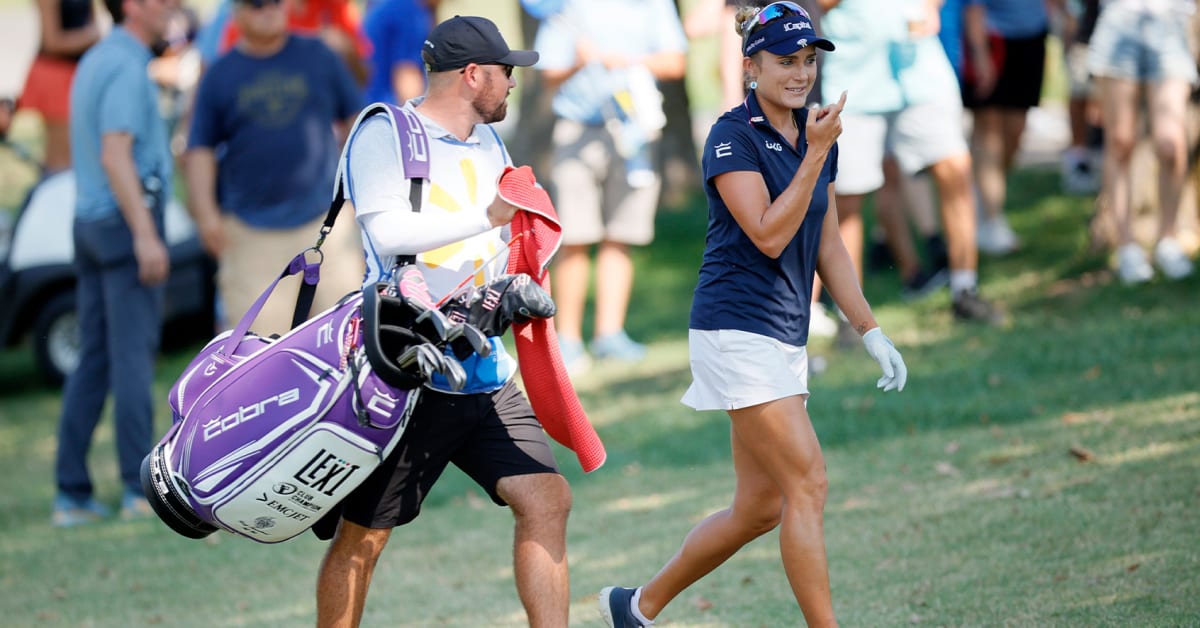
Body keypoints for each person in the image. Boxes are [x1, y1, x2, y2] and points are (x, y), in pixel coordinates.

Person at [598, 4, 907, 626]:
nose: (800, 74)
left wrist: (869, 329)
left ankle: (636, 607)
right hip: (734, 330)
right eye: (785, 61)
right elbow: (768, 233)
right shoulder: (731, 135)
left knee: (760, 508)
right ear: (751, 66)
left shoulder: (814, 132)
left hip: (782, 333)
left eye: (808, 60)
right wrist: (816, 155)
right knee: (808, 483)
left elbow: (827, 242)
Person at [314, 16, 572, 628]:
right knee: (363, 538)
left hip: (481, 364)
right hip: (408, 367)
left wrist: (517, 280)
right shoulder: (384, 132)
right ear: (473, 74)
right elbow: (387, 232)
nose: (513, 82)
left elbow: (497, 235)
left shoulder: (489, 140)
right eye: (506, 71)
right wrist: (488, 215)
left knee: (546, 498)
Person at [52, 0, 177, 527]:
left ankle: (72, 494)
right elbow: (114, 153)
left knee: (96, 360)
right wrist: (146, 234)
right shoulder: (125, 65)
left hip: (89, 223)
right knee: (131, 359)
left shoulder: (96, 59)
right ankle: (134, 488)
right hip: (125, 223)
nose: (172, 5)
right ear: (132, 5)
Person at [183, 0, 365, 337]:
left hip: (325, 225)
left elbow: (358, 121)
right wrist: (207, 215)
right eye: (257, 4)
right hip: (251, 232)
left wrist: (358, 189)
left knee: (346, 339)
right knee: (259, 352)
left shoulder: (319, 56)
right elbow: (199, 149)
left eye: (276, 2)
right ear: (236, 11)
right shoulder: (220, 74)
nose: (269, 9)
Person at [816, 0, 1004, 324]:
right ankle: (851, 318)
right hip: (855, 76)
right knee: (847, 200)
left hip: (920, 71)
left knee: (955, 169)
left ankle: (965, 291)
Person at [533, 0, 689, 373]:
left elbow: (676, 61)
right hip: (578, 131)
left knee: (622, 233)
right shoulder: (566, 7)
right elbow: (548, 73)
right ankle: (567, 341)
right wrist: (578, 63)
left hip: (635, 129)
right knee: (574, 236)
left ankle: (610, 335)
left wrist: (629, 62)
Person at [1087, 0, 1195, 283]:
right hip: (1118, 23)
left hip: (1171, 26)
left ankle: (1168, 241)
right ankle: (1126, 246)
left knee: (1170, 144)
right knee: (1120, 142)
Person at [962, 0, 1061, 256]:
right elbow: (973, 6)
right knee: (989, 130)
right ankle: (991, 217)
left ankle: (983, 196)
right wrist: (980, 53)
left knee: (1015, 133)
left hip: (1031, 38)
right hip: (991, 38)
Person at [18, 0, 101, 174]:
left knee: (83, 150)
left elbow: (94, 23)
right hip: (54, 74)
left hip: (80, 70)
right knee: (61, 158)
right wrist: (90, 36)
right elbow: (52, 41)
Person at [362, 0, 439, 105]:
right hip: (390, 109)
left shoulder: (387, 4)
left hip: (371, 105)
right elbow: (407, 74)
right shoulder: (408, 11)